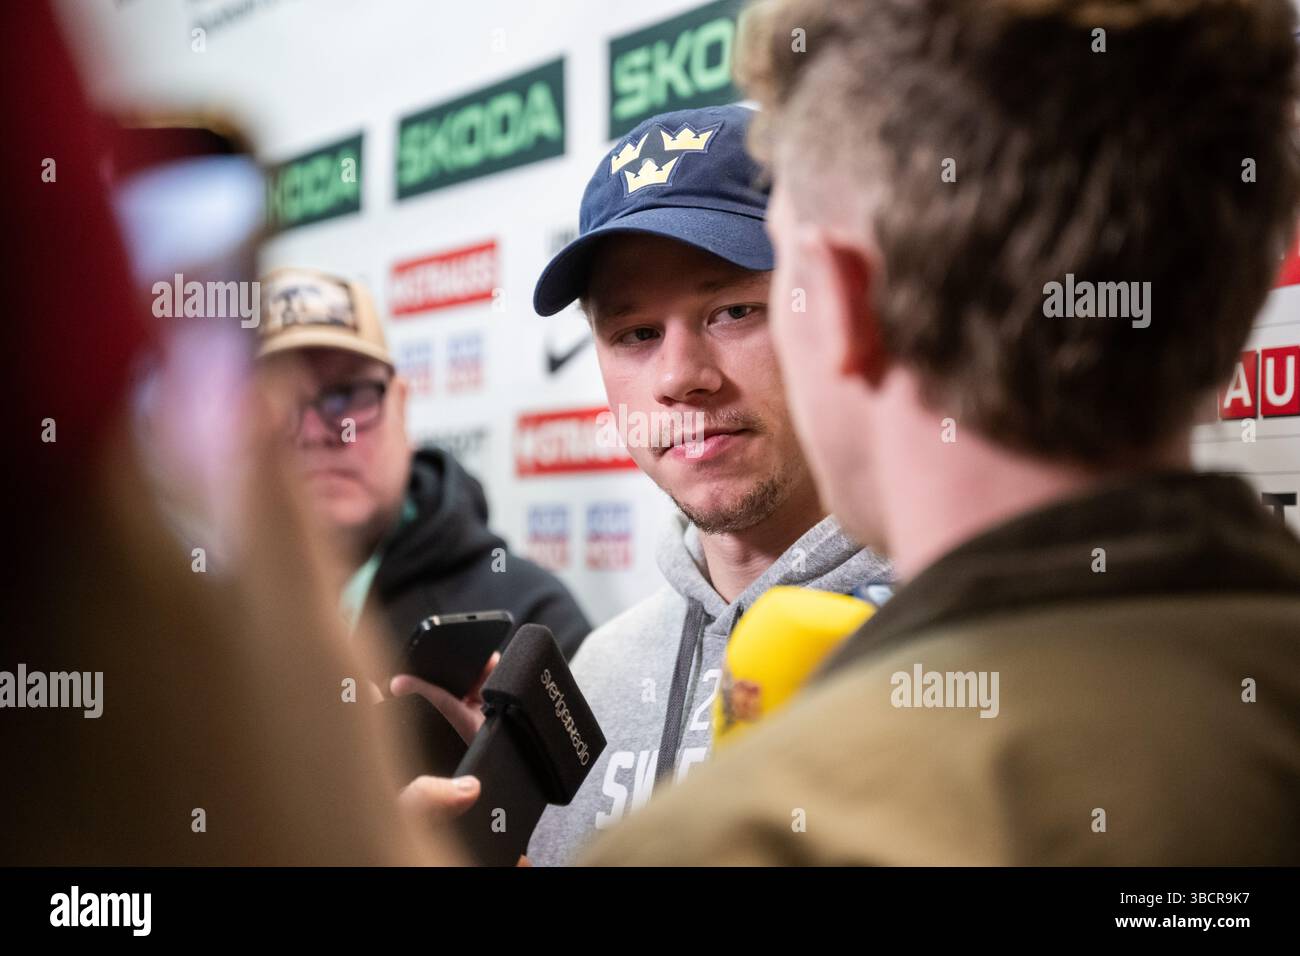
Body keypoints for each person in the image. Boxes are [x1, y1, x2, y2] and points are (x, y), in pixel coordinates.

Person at [585, 0, 1300, 865]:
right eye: (632, 333)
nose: (679, 375)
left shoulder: (735, 842)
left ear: (849, 303)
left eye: (743, 306)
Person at [254, 268, 591, 667]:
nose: (314, 433)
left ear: (400, 406)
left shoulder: (528, 624)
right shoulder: (195, 610)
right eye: (278, 403)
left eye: (346, 395)